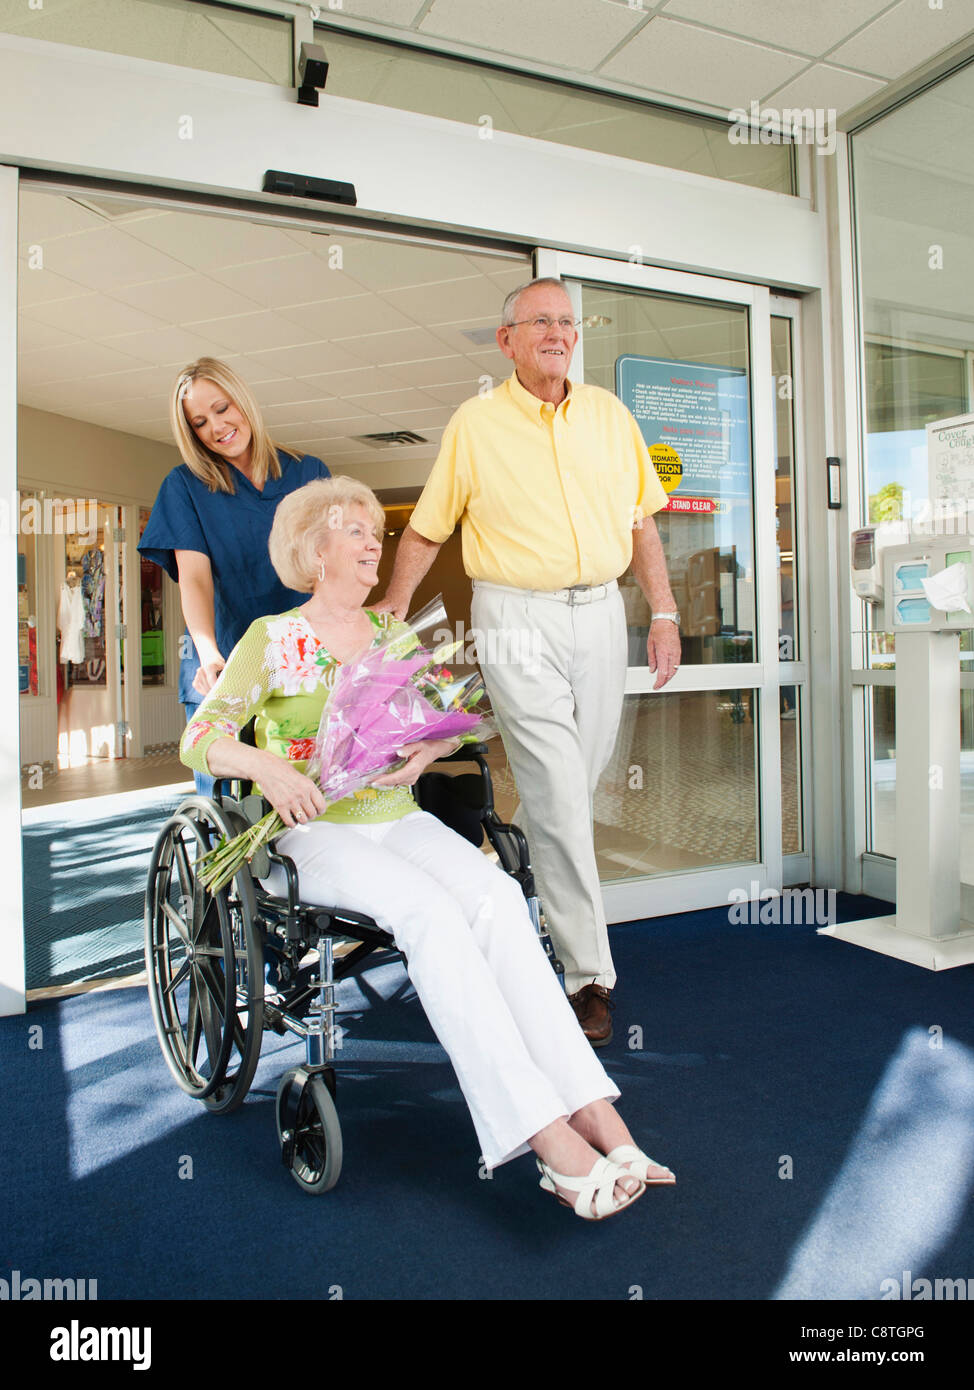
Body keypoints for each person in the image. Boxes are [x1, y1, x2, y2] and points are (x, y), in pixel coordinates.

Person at [179, 475, 675, 1219]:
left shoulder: (389, 634)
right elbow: (202, 736)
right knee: (431, 916)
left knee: (499, 897)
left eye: (374, 529)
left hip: (398, 817)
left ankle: (597, 1114)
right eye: (355, 530)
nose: (372, 542)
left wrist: (421, 748)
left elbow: (448, 720)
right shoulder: (271, 641)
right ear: (316, 551)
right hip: (316, 833)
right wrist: (270, 767)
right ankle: (549, 1144)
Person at [375, 277, 680, 1046]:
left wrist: (665, 611)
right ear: (506, 339)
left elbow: (641, 524)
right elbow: (428, 529)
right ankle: (589, 977)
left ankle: (508, 874)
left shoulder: (611, 415)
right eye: (538, 320)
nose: (556, 331)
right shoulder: (475, 424)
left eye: (566, 321)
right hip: (514, 612)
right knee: (557, 787)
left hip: (601, 612)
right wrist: (387, 610)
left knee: (572, 785)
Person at [138, 357, 329, 793]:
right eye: (200, 422)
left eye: (223, 408)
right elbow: (196, 578)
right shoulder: (184, 485)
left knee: (306, 794)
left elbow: (327, 568)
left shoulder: (308, 472)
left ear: (243, 400)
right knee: (228, 806)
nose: (216, 427)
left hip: (298, 662)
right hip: (223, 661)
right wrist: (208, 653)